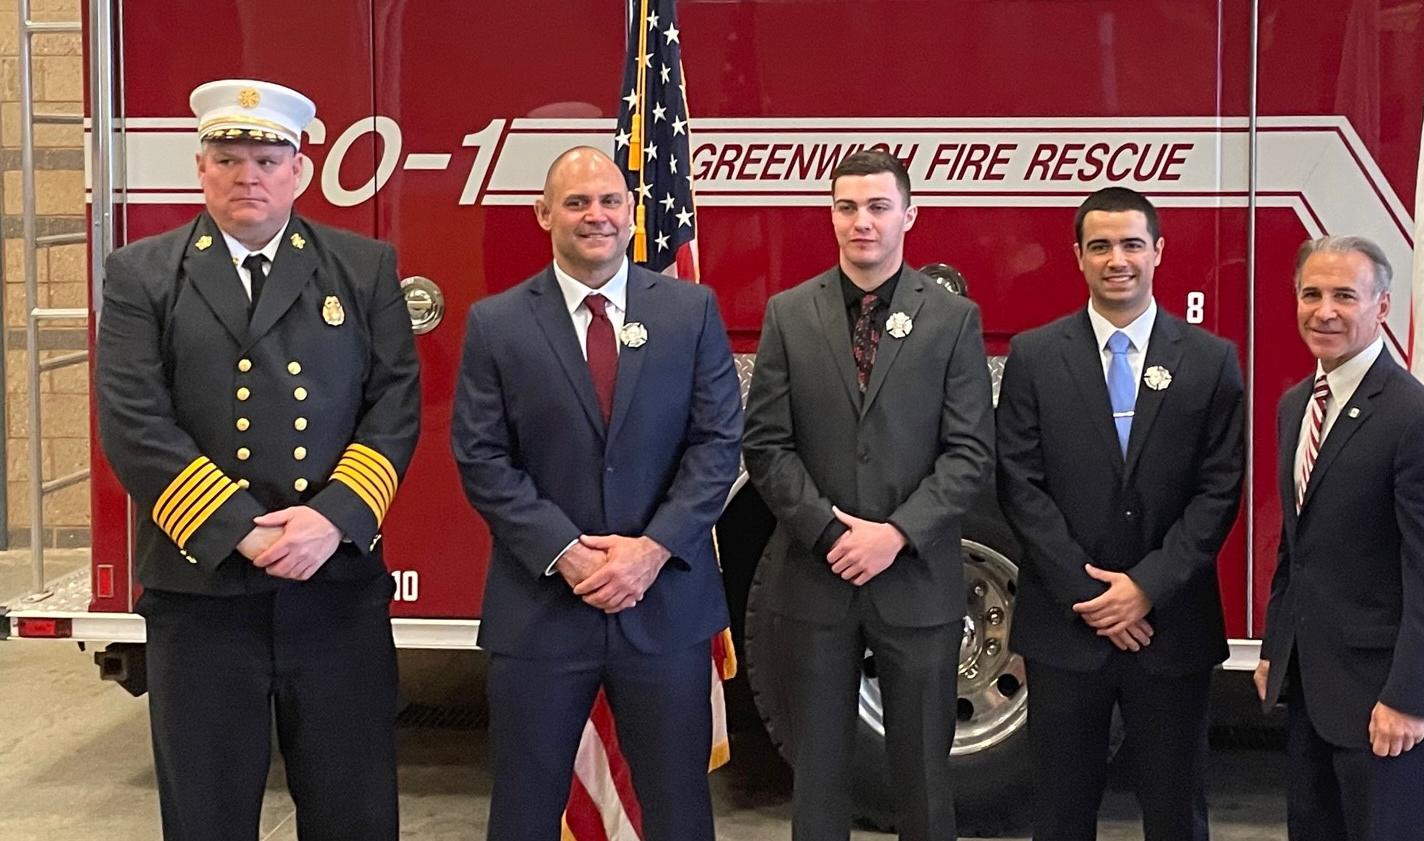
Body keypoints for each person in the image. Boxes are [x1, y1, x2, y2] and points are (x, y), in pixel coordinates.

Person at [95, 79, 420, 841]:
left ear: (299, 170)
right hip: (202, 590)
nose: (249, 176)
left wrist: (331, 519)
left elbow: (396, 404)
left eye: (268, 160)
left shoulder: (362, 267)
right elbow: (135, 422)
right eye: (229, 158)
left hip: (333, 587)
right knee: (206, 813)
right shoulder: (142, 274)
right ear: (200, 168)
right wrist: (240, 529)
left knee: (353, 809)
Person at [451, 146, 742, 841]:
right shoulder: (496, 323)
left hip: (664, 606)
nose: (596, 216)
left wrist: (651, 551)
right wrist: (567, 553)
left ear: (632, 213)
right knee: (523, 811)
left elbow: (716, 445)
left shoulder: (690, 310)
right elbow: (482, 458)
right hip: (542, 609)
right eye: (577, 202)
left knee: (678, 811)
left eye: (610, 201)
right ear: (544, 214)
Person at [742, 149, 995, 841]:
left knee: (924, 783)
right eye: (847, 207)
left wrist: (895, 534)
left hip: (917, 584)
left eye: (879, 207)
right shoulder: (789, 314)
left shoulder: (953, 321)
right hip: (815, 584)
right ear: (831, 216)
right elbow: (766, 445)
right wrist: (829, 533)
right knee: (818, 783)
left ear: (909, 215)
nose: (863, 222)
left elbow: (970, 453)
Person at [995, 186, 1245, 840]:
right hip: (1065, 629)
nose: (1117, 260)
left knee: (1176, 815)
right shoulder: (1034, 356)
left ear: (1158, 251)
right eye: (1100, 246)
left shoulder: (1211, 360)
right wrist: (1090, 596)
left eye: (1132, 244)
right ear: (1077, 256)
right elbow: (1019, 484)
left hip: (1172, 627)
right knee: (1060, 815)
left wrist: (1145, 588)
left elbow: (1219, 490)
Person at [1255, 236, 1424, 841]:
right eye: (1311, 294)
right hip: (1313, 691)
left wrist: (1407, 697)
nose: (1324, 311)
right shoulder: (1297, 405)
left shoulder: (1417, 420)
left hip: (1386, 704)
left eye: (1345, 296)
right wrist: (1276, 648)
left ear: (1382, 306)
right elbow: (1297, 545)